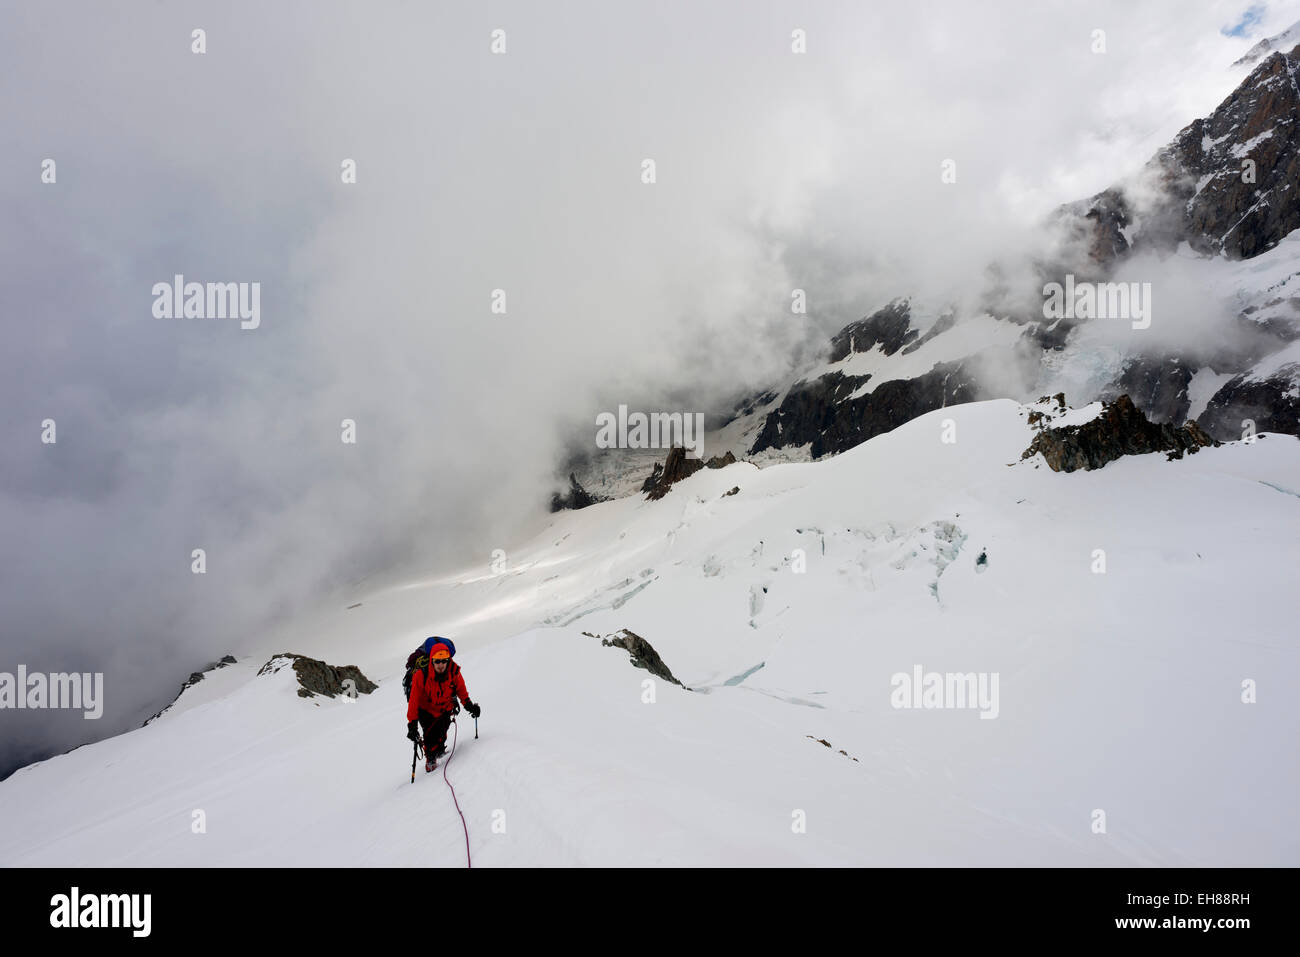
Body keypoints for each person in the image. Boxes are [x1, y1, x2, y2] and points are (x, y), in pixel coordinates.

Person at [406, 640, 480, 772]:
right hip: (426, 709)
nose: (441, 665)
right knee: (429, 737)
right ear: (432, 660)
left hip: (445, 707)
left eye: (444, 661)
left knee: (442, 731)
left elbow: (461, 691)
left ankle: (440, 750)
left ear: (448, 660)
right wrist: (412, 724)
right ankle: (431, 760)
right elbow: (414, 700)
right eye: (437, 661)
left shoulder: (454, 671)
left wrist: (469, 706)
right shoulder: (421, 675)